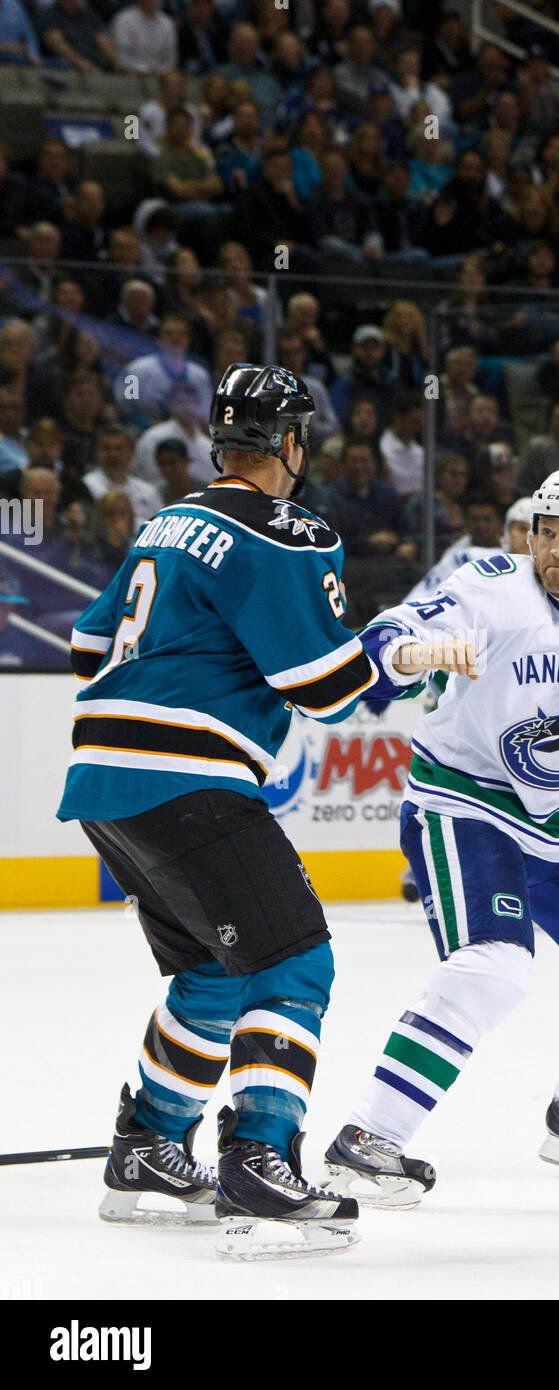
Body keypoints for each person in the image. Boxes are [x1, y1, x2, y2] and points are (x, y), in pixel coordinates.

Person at [320, 468, 559, 1204]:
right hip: (463, 802)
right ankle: (368, 1140)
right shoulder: (491, 586)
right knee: (495, 967)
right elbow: (386, 642)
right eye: (545, 531)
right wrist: (413, 657)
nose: (554, 550)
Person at [56, 364, 375, 1258]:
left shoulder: (167, 522)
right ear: (288, 445)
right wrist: (400, 652)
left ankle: (149, 1146)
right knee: (295, 958)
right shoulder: (289, 528)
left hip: (102, 780)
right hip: (187, 778)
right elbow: (328, 690)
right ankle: (260, 1162)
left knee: (214, 973)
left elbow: (88, 645)